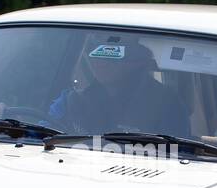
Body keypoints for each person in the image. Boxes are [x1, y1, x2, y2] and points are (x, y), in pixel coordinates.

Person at [47, 36, 191, 136]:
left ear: (139, 62)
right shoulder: (72, 99)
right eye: (97, 53)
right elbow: (41, 132)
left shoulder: (167, 104)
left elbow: (179, 153)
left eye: (116, 54)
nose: (101, 62)